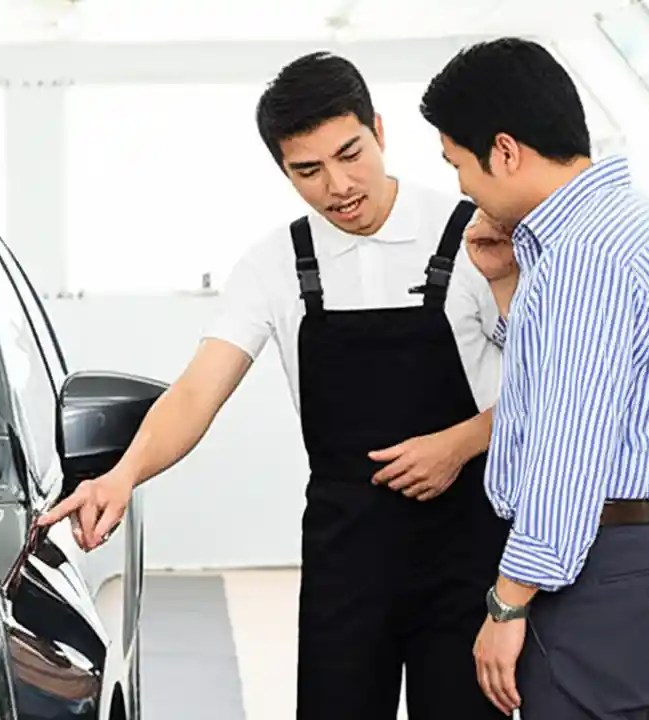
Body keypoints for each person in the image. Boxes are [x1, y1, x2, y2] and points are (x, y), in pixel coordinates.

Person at [39, 51, 515, 719]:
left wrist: (462, 443)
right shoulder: (274, 265)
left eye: (351, 154)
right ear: (284, 171)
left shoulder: (475, 236)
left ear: (379, 129)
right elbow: (197, 392)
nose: (339, 185)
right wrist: (121, 477)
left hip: (467, 558)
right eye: (308, 171)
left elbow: (550, 387)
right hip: (346, 561)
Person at [419, 37, 649, 719]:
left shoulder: (584, 256)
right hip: (631, 560)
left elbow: (567, 449)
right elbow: (559, 381)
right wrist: (505, 283)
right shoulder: (633, 226)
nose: (463, 187)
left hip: (594, 569)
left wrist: (506, 601)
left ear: (505, 150)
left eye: (458, 163)